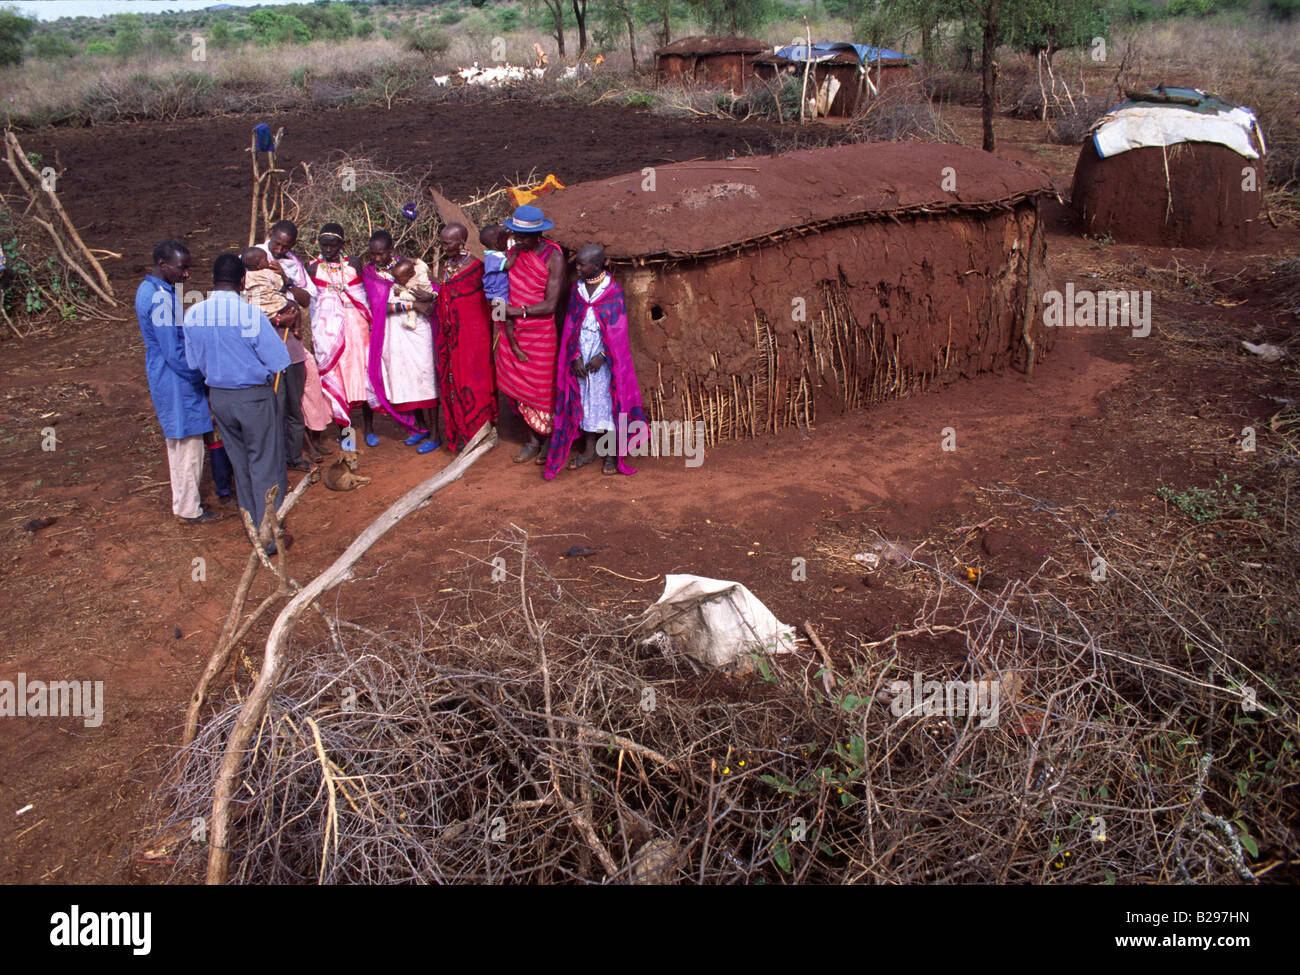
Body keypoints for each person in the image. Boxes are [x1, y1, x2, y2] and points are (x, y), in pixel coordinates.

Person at [183, 253, 292, 554]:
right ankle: (270, 533)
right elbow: (279, 360)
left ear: (213, 281)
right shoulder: (250, 315)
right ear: (243, 281)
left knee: (240, 463)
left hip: (219, 397)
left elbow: (193, 362)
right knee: (265, 464)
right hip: (253, 397)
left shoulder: (194, 315)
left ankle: (254, 530)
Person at [545, 244, 646, 479]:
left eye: (582, 264)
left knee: (607, 402)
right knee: (585, 400)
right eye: (577, 263)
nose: (577, 268)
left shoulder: (613, 292)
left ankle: (610, 454)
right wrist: (575, 356)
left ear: (597, 266)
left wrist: (602, 356)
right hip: (581, 355)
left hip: (604, 360)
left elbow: (618, 331)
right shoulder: (577, 290)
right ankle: (590, 450)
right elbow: (571, 325)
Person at [135, 240, 218, 524]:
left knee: (180, 443)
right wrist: (200, 376)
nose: (186, 275)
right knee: (188, 443)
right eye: (181, 268)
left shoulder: (152, 289)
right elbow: (174, 351)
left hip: (164, 374)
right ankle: (189, 508)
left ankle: (185, 499)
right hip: (175, 378)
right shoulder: (159, 297)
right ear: (163, 264)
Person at [361, 230, 439, 450]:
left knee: (426, 378)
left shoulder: (406, 267)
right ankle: (420, 427)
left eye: (381, 254)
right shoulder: (369, 274)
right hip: (392, 333)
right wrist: (412, 305)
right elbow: (378, 308)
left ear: (391, 251)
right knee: (405, 377)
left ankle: (434, 434)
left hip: (418, 331)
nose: (376, 259)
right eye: (373, 254)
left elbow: (430, 290)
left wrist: (428, 297)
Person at [499, 204, 565, 465]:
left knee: (543, 389)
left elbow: (550, 304)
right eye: (515, 234)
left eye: (524, 235)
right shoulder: (515, 251)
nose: (519, 239)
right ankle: (532, 441)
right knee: (520, 390)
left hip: (540, 331)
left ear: (539, 235)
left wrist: (516, 311)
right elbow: (502, 279)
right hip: (513, 330)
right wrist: (503, 315)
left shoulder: (554, 257)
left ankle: (548, 440)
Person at [307, 223, 374, 446]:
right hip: (328, 333)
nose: (327, 249)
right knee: (337, 377)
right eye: (323, 245)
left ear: (342, 244)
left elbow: (366, 294)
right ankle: (345, 432)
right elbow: (311, 301)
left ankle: (369, 429)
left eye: (332, 245)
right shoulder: (312, 268)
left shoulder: (354, 263)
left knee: (361, 374)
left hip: (357, 327)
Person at [434, 222, 498, 452]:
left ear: (461, 242)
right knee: (454, 380)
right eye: (441, 242)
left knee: (474, 380)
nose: (443, 247)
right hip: (452, 336)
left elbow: (485, 303)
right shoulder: (447, 266)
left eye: (447, 242)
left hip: (474, 337)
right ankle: (462, 431)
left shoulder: (477, 268)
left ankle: (480, 432)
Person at [259, 219, 316, 473]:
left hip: (289, 340)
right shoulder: (252, 258)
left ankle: (294, 456)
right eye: (277, 244)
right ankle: (274, 460)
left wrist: (286, 280)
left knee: (293, 402)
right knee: (272, 404)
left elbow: (305, 300)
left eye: (286, 247)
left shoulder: (293, 264)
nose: (280, 251)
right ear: (270, 235)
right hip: (263, 339)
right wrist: (278, 318)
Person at [480, 224, 511, 315]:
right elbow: (508, 265)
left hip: (499, 294)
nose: (507, 243)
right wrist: (516, 252)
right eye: (505, 240)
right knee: (504, 318)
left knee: (503, 319)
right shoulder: (493, 258)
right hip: (498, 295)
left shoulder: (495, 255)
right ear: (497, 244)